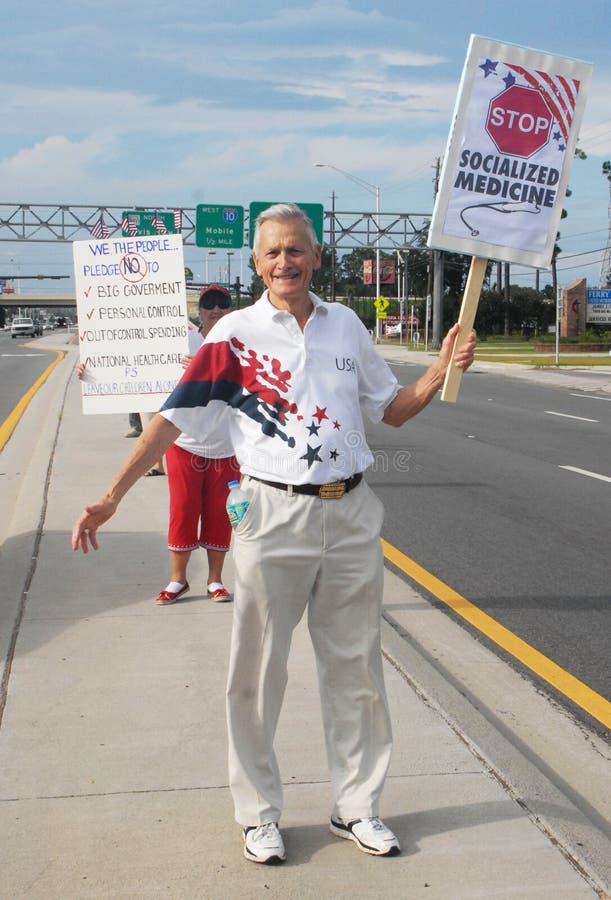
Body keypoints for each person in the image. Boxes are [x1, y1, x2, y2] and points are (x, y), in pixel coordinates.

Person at [72, 203, 476, 866]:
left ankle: (356, 807)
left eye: (295, 250)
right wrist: (112, 494)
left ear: (316, 257)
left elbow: (393, 411)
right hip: (268, 511)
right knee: (258, 672)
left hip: (349, 511)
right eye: (271, 254)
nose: (284, 262)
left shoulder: (346, 326)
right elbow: (172, 419)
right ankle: (258, 814)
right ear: (257, 264)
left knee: (356, 668)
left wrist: (438, 369)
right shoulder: (232, 333)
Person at [156, 284, 239, 605]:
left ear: (230, 308)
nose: (216, 309)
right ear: (200, 309)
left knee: (221, 513)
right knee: (183, 509)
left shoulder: (241, 342)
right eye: (209, 303)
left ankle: (215, 580)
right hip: (183, 441)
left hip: (226, 445)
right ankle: (178, 579)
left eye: (222, 303)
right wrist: (93, 375)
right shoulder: (182, 338)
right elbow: (137, 368)